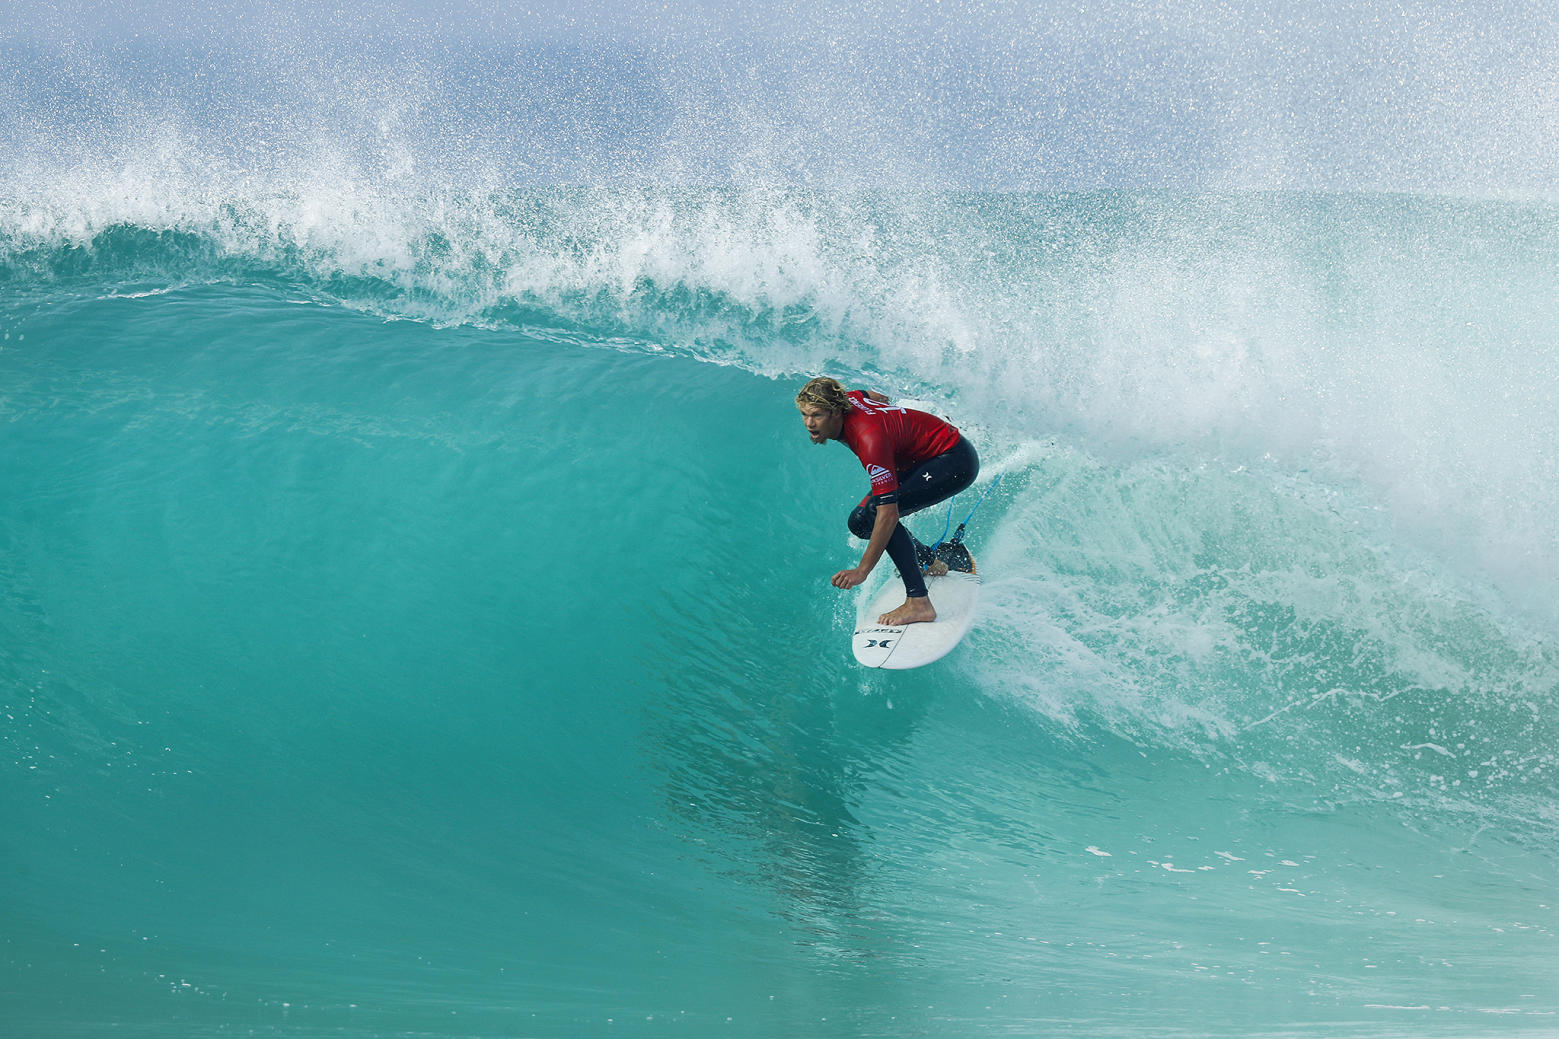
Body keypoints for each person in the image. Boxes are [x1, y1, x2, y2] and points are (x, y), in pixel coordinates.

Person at [796, 376, 979, 626]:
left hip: (953, 461)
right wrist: (900, 423)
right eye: (805, 415)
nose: (808, 423)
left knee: (876, 514)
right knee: (860, 522)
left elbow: (889, 515)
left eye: (816, 415)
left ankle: (919, 602)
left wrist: (862, 570)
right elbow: (873, 396)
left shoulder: (869, 438)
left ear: (836, 412)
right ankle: (928, 562)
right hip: (925, 458)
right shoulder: (849, 399)